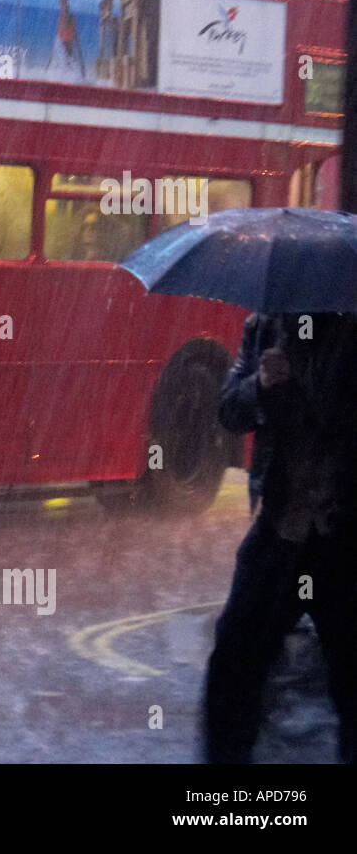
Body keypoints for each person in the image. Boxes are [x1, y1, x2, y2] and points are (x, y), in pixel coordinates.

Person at [203, 311, 357, 763]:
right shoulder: (264, 328)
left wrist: (298, 383)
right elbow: (230, 408)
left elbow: (333, 420)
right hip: (280, 531)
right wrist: (260, 386)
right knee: (235, 655)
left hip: (342, 533)